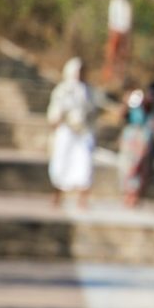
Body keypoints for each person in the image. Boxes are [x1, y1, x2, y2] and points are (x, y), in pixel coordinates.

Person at [47, 57, 97, 208]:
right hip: (67, 131)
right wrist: (58, 120)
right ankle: (57, 196)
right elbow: (56, 110)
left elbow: (92, 111)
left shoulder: (88, 90)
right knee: (61, 162)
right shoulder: (63, 89)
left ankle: (83, 199)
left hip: (83, 133)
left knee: (84, 164)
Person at [117, 89, 154, 207]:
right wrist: (125, 102)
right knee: (126, 168)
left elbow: (149, 122)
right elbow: (122, 116)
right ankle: (127, 194)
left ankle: (134, 196)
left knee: (137, 168)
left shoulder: (146, 109)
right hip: (129, 137)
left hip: (140, 137)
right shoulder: (130, 109)